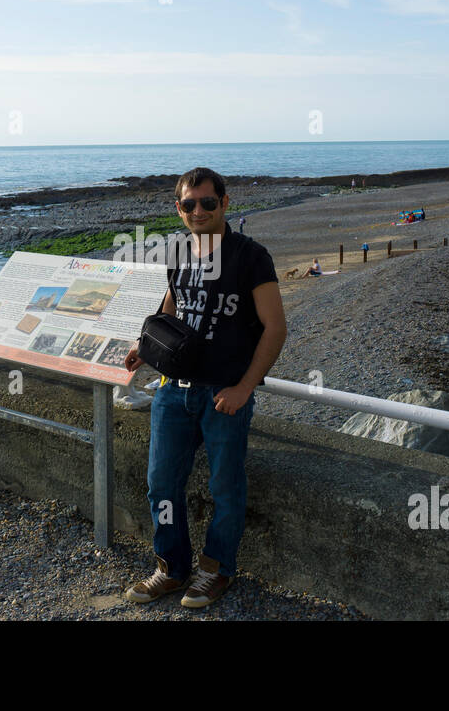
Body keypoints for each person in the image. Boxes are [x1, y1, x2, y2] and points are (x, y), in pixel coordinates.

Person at [122, 167, 286, 609]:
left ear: (225, 203)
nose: (199, 211)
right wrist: (145, 348)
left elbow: (275, 328)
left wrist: (244, 388)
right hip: (174, 388)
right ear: (178, 209)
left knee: (225, 487)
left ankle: (215, 571)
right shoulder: (177, 252)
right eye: (189, 204)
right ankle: (171, 568)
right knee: (161, 483)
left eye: (208, 203)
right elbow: (172, 307)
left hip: (224, 395)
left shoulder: (251, 257)